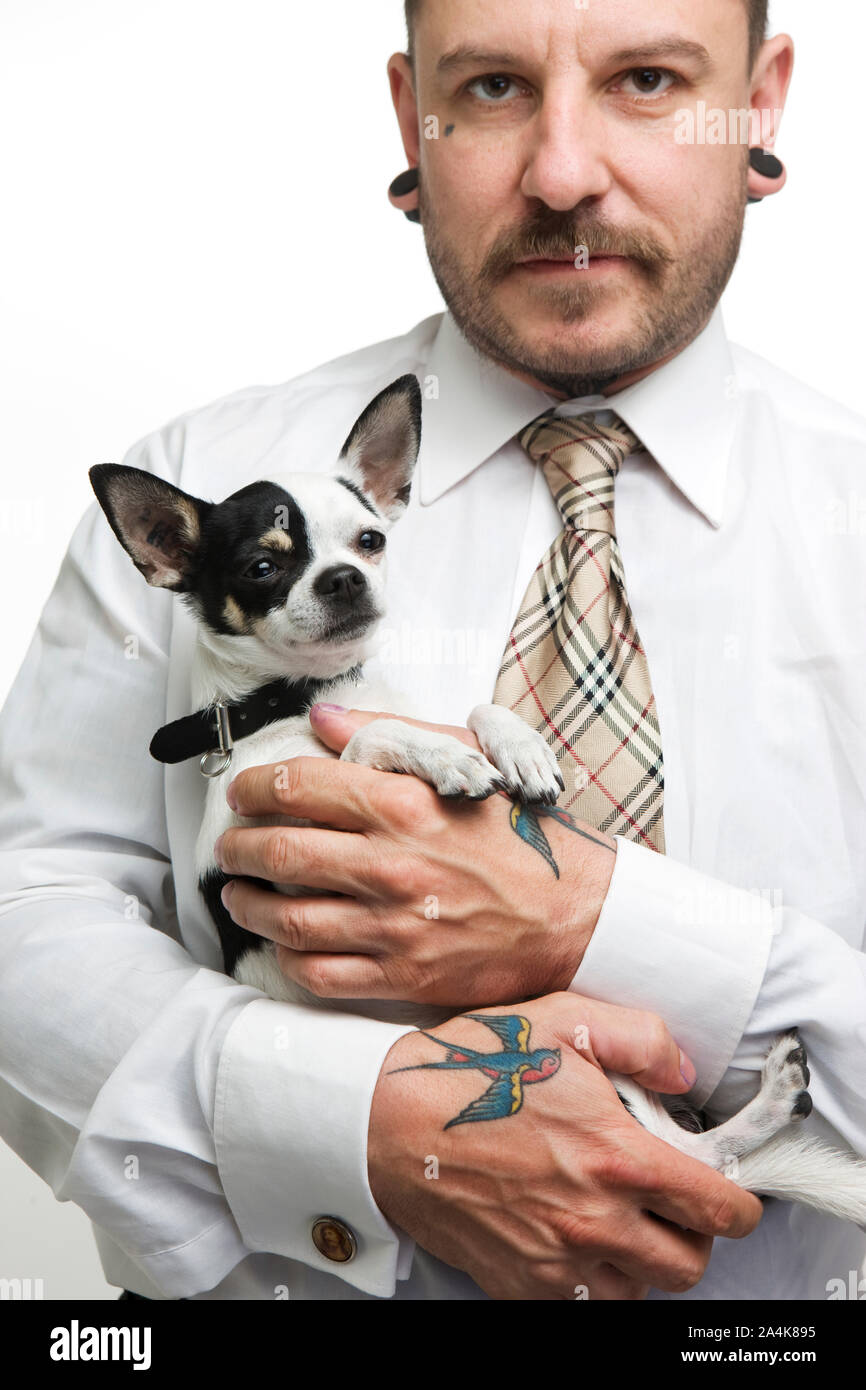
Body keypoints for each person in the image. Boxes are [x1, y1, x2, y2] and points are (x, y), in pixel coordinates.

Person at [0, 0, 863, 1303]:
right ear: (412, 118)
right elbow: (25, 920)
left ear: (757, 103)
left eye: (644, 79)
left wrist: (596, 917)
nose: (562, 172)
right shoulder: (196, 480)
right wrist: (363, 1120)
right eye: (495, 87)